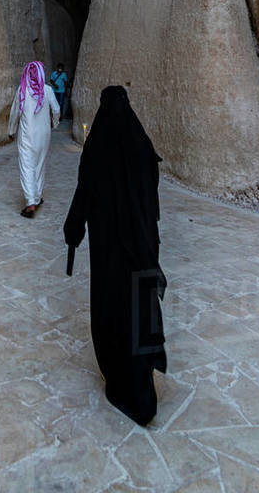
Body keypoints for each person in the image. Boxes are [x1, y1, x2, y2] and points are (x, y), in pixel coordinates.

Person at [63, 85, 167, 426]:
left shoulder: (97, 148)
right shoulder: (140, 144)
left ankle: (121, 384)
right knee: (139, 310)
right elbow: (151, 191)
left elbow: (84, 192)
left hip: (108, 251)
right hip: (141, 249)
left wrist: (73, 230)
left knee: (112, 311)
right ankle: (143, 392)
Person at [8, 60, 59, 217]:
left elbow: (15, 112)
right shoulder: (47, 90)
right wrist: (54, 123)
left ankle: (31, 203)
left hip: (27, 135)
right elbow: (56, 109)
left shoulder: (22, 90)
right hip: (44, 135)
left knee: (27, 166)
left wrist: (11, 130)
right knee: (39, 164)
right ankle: (37, 196)